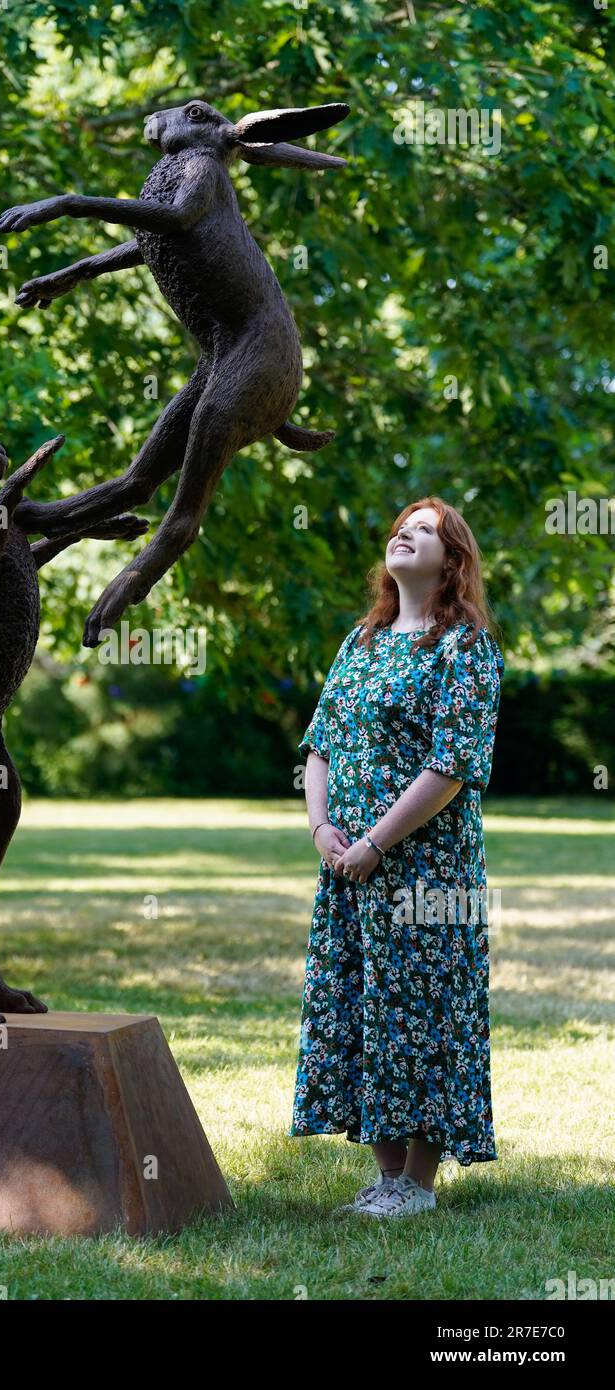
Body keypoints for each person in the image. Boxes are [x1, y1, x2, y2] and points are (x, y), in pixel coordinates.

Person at [290, 497, 505, 1218]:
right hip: (348, 866)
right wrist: (323, 831)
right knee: (363, 1007)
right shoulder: (362, 642)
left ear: (452, 560)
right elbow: (319, 744)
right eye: (398, 528)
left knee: (425, 1010)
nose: (403, 536)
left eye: (424, 530)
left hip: (424, 872)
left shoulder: (463, 649)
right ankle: (386, 1178)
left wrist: (378, 841)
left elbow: (450, 766)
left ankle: (417, 1183)